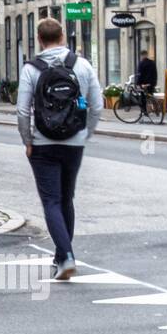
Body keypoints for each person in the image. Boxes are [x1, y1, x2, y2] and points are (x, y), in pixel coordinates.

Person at [17, 17, 103, 280]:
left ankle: (65, 257)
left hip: (43, 144)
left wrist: (27, 141)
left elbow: (22, 111)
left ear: (39, 39)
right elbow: (97, 105)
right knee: (66, 199)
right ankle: (61, 255)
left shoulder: (31, 69)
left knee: (51, 201)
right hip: (73, 143)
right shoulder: (83, 65)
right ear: (63, 36)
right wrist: (84, 134)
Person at [136, 50, 159, 120]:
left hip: (144, 84)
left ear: (142, 56)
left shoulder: (141, 63)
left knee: (143, 98)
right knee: (151, 96)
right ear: (147, 54)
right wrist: (154, 83)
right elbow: (155, 73)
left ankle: (144, 111)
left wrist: (138, 83)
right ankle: (157, 111)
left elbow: (140, 75)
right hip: (151, 83)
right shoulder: (152, 63)